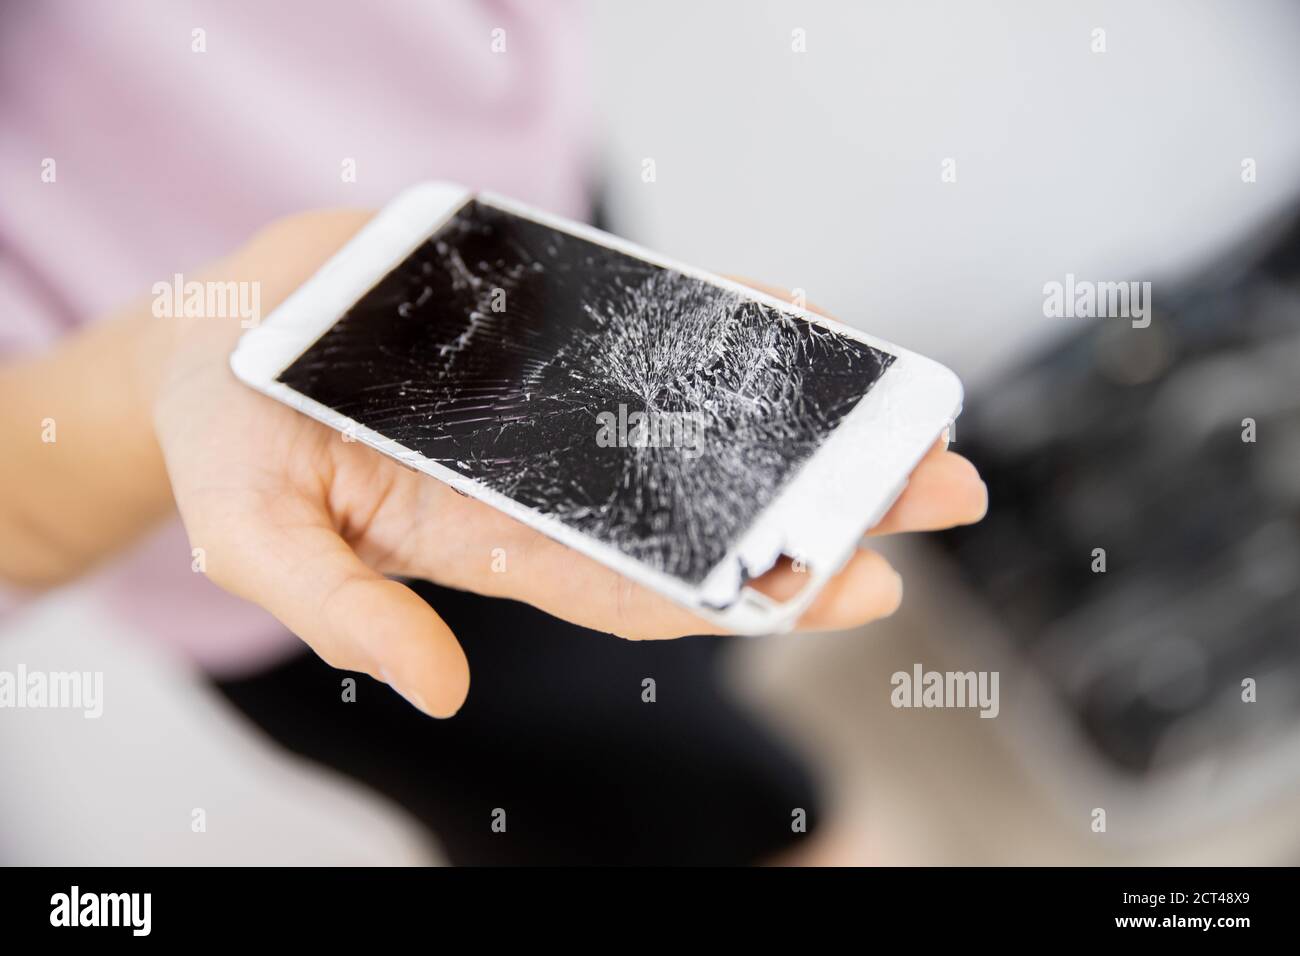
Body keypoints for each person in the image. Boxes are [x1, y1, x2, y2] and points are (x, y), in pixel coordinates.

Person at [0, 2, 986, 863]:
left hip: (535, 238)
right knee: (706, 811)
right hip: (291, 520)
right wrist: (167, 357)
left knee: (709, 616)